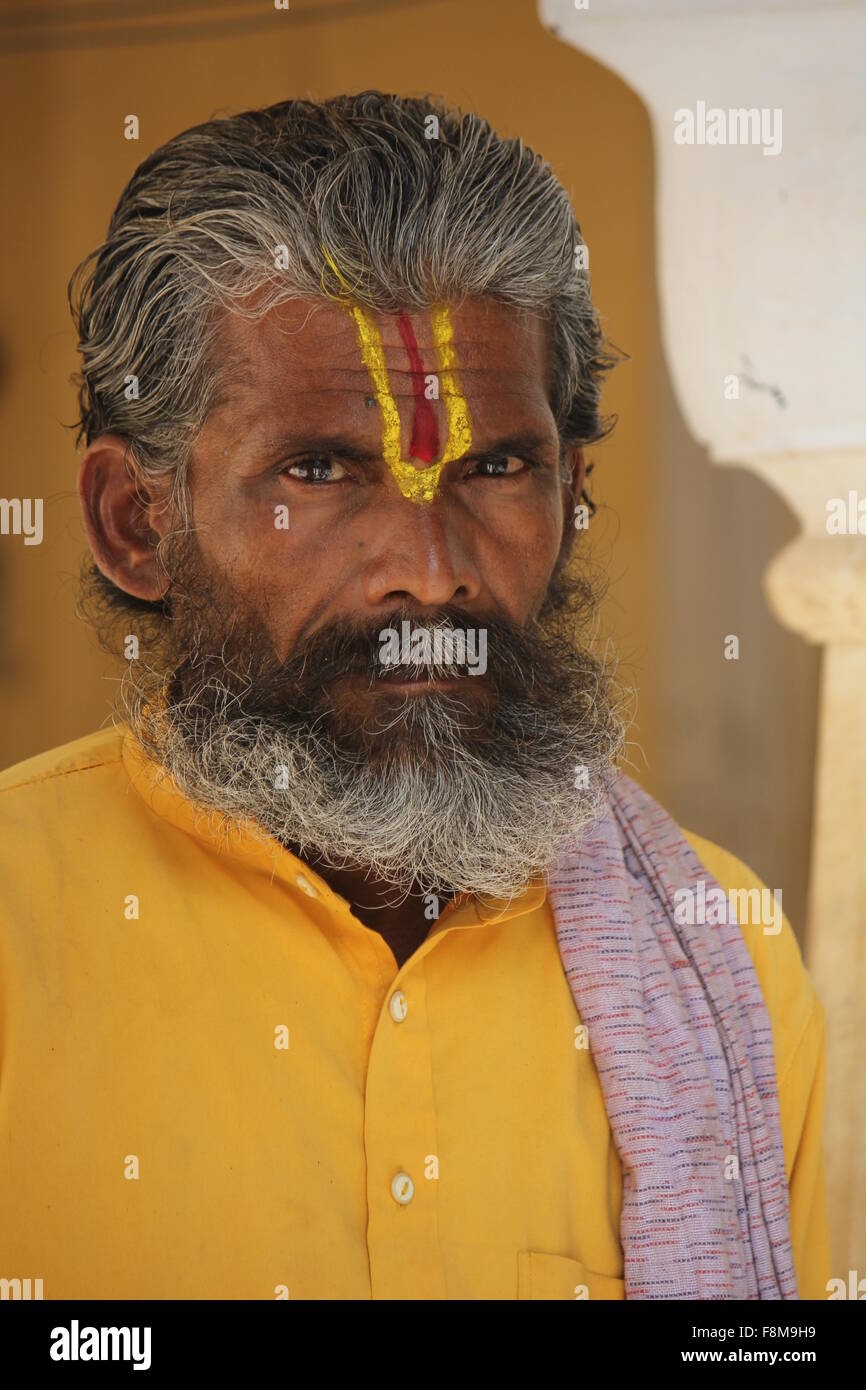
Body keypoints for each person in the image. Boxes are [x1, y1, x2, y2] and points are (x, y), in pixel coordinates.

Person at [0, 92, 828, 1300]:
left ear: (571, 492)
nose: (431, 570)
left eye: (496, 466)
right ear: (138, 523)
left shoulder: (719, 955)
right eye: (322, 470)